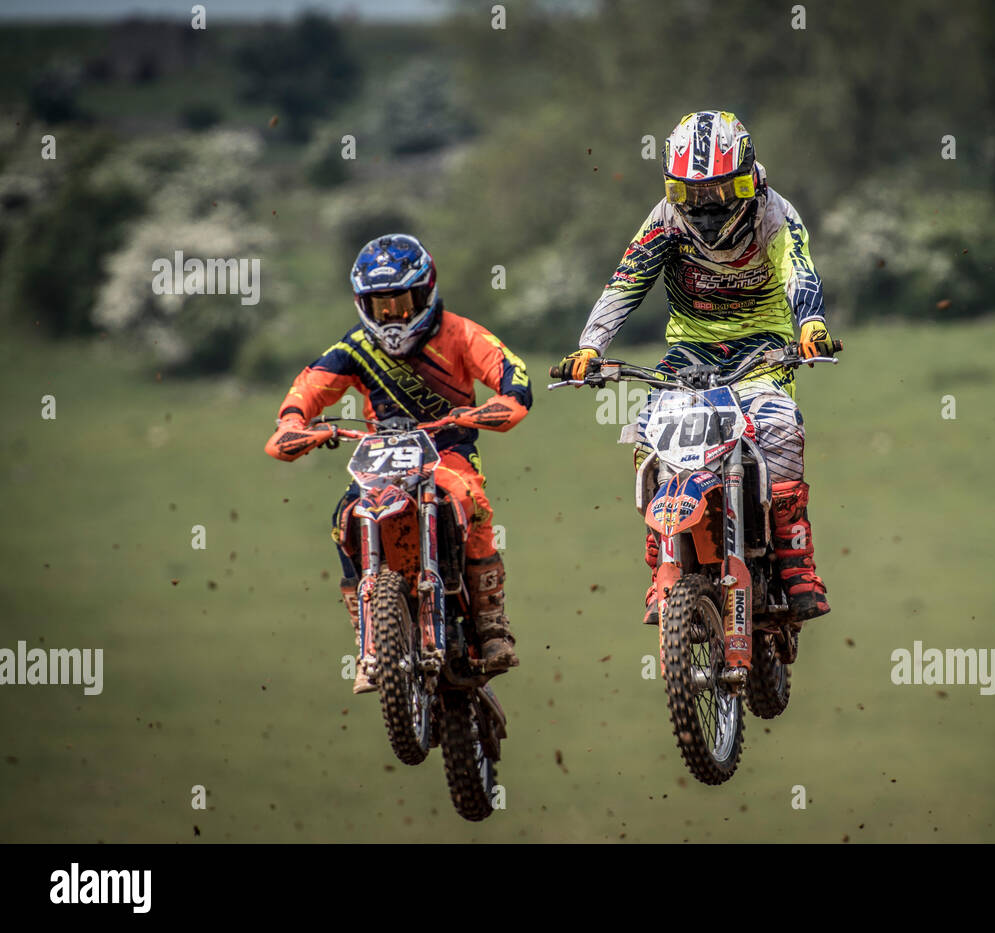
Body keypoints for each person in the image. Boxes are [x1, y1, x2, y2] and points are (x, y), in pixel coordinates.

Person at [555, 110, 834, 623]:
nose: (705, 210)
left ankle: (797, 563)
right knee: (647, 432)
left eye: (721, 192)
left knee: (779, 426)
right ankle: (662, 566)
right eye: (689, 194)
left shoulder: (775, 214)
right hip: (690, 351)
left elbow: (799, 269)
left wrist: (811, 324)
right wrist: (590, 347)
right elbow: (626, 281)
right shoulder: (665, 219)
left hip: (763, 348)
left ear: (748, 181)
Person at [264, 234, 531, 692]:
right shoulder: (354, 348)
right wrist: (293, 421)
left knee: (470, 498)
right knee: (345, 516)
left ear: (424, 293)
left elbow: (511, 371)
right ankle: (367, 641)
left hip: (447, 451)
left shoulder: (460, 333)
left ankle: (491, 625)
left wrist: (505, 400)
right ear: (363, 304)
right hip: (381, 456)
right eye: (380, 305)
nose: (392, 315)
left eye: (401, 303)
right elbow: (308, 387)